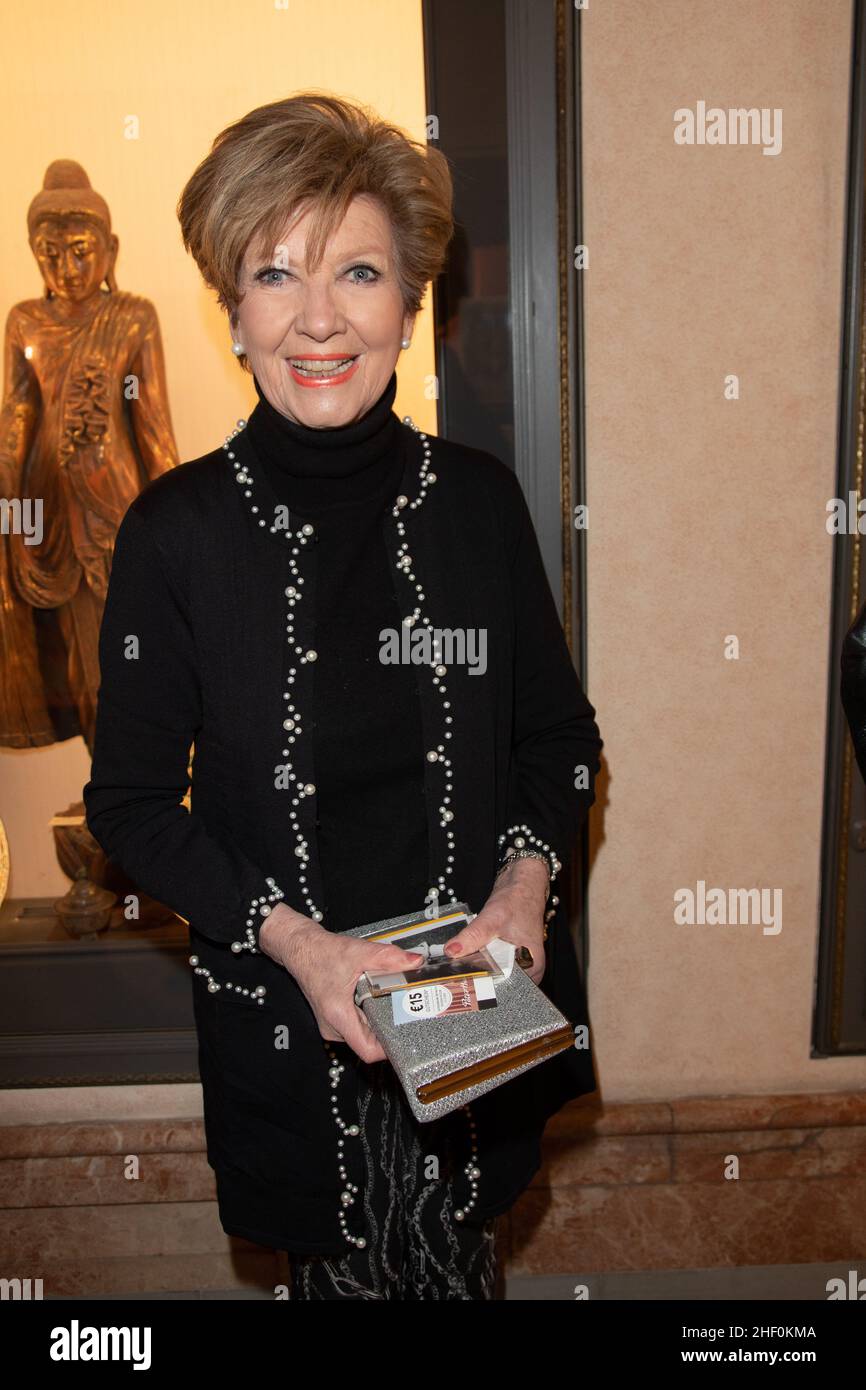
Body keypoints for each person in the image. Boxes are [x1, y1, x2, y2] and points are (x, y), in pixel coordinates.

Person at [83, 92, 604, 1301]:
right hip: (286, 1015)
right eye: (276, 274)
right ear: (232, 308)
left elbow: (557, 738)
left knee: (458, 1268)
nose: (318, 320)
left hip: (476, 1015)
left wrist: (526, 885)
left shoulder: (479, 504)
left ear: (409, 303)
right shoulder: (175, 535)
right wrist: (303, 951)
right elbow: (132, 807)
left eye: (357, 273)